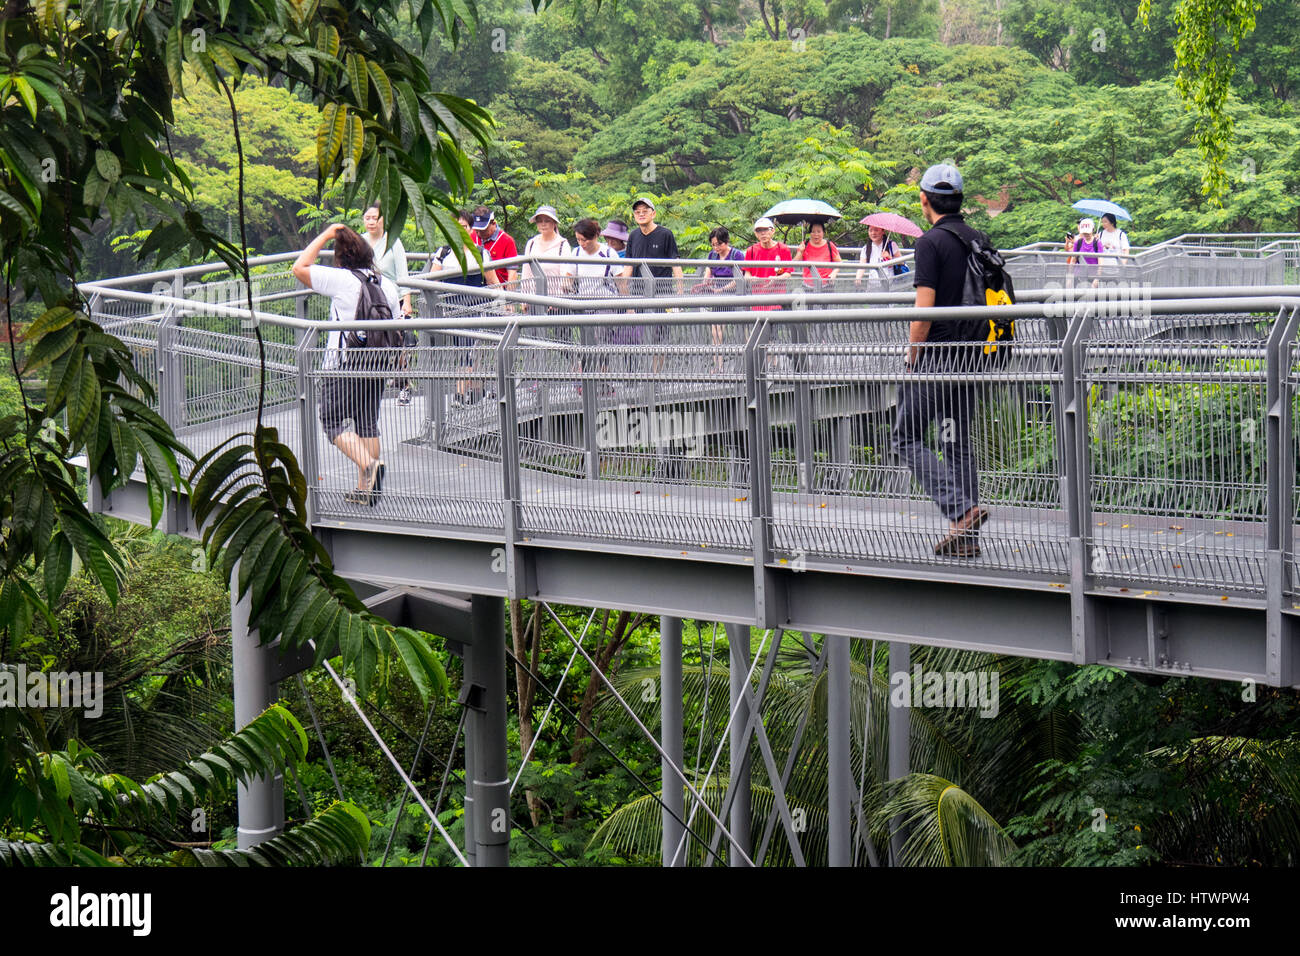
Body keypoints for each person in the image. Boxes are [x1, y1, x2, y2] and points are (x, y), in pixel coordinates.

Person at [891, 163, 989, 558]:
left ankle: (961, 510)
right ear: (960, 200)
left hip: (937, 359)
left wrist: (913, 356)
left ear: (924, 200)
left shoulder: (930, 243)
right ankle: (965, 540)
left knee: (904, 436)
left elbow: (924, 309)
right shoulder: (977, 238)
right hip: (971, 357)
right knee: (955, 442)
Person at [292, 223, 401, 506]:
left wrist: (328, 235)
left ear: (342, 258)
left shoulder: (342, 280)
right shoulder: (385, 284)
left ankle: (370, 466)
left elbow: (300, 267)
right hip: (376, 362)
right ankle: (365, 489)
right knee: (367, 422)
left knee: (331, 420)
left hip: (344, 364)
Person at [434, 211, 500, 405]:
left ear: (470, 229)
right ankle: (477, 390)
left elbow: (492, 281)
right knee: (463, 350)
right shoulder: (443, 252)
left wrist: (503, 303)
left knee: (468, 350)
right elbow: (431, 279)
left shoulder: (480, 253)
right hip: (451, 309)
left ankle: (461, 394)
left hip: (474, 309)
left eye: (463, 227)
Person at [361, 202, 415, 405]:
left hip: (393, 300)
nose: (371, 222)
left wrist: (406, 302)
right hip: (369, 300)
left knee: (398, 344)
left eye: (375, 218)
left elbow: (403, 274)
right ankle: (370, 389)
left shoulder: (393, 242)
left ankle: (404, 386)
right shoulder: (361, 242)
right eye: (368, 218)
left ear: (383, 219)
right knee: (369, 343)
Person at [620, 197, 682, 367]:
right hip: (639, 293)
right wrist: (627, 302)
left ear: (653, 214)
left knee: (660, 337)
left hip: (662, 293)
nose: (641, 214)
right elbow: (628, 267)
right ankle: (641, 376)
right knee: (638, 336)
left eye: (645, 211)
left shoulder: (665, 234)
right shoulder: (633, 236)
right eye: (637, 212)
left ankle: (655, 378)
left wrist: (679, 297)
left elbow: (676, 265)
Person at [693, 226, 745, 368]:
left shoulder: (737, 255)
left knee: (742, 329)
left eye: (719, 244)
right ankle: (719, 364)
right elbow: (708, 272)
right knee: (715, 328)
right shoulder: (712, 255)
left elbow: (739, 278)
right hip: (718, 295)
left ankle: (743, 365)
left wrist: (721, 289)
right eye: (713, 244)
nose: (716, 247)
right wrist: (706, 283)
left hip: (734, 295)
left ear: (726, 241)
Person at [741, 216, 792, 311]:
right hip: (758, 300)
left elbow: (788, 273)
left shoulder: (783, 249)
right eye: (759, 230)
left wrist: (776, 278)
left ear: (772, 231)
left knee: (777, 324)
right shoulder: (751, 251)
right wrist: (751, 279)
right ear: (756, 234)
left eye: (765, 229)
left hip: (777, 300)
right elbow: (746, 274)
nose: (763, 233)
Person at [520, 204, 571, 296]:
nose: (543, 224)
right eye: (539, 221)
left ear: (554, 223)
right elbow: (526, 273)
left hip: (555, 302)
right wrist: (524, 299)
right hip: (533, 299)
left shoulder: (563, 245)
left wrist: (558, 299)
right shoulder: (531, 243)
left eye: (547, 221)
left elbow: (565, 276)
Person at [564, 218, 619, 296]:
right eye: (578, 240)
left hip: (607, 303)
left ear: (595, 236)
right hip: (584, 302)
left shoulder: (609, 254)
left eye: (584, 240)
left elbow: (621, 283)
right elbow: (569, 277)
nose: (581, 243)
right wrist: (566, 287)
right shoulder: (576, 253)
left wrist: (628, 306)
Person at [471, 205, 519, 287]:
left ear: (493, 223)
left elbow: (512, 273)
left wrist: (508, 296)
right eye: (477, 230)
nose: (479, 233)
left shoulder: (507, 240)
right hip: (476, 289)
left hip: (498, 289)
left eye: (483, 230)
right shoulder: (472, 236)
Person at [794, 221, 841, 289]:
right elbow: (795, 263)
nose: (816, 234)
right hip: (808, 286)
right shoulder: (805, 245)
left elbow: (839, 263)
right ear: (810, 233)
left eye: (819, 231)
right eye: (813, 232)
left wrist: (834, 273)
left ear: (823, 233)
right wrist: (800, 252)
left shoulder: (829, 245)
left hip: (827, 285)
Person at [857, 225, 904, 290]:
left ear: (883, 232)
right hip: (872, 286)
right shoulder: (865, 248)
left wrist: (890, 258)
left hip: (891, 286)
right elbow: (861, 266)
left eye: (876, 230)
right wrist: (858, 278)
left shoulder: (892, 245)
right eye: (870, 230)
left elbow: (901, 262)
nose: (873, 233)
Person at [1066, 217, 1103, 286]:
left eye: (1088, 232)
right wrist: (1070, 277)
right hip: (1079, 276)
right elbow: (1073, 261)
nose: (1086, 234)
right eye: (1084, 232)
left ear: (1092, 230)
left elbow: (1100, 263)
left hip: (1092, 276)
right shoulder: (1078, 242)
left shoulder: (1097, 243)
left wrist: (1097, 278)